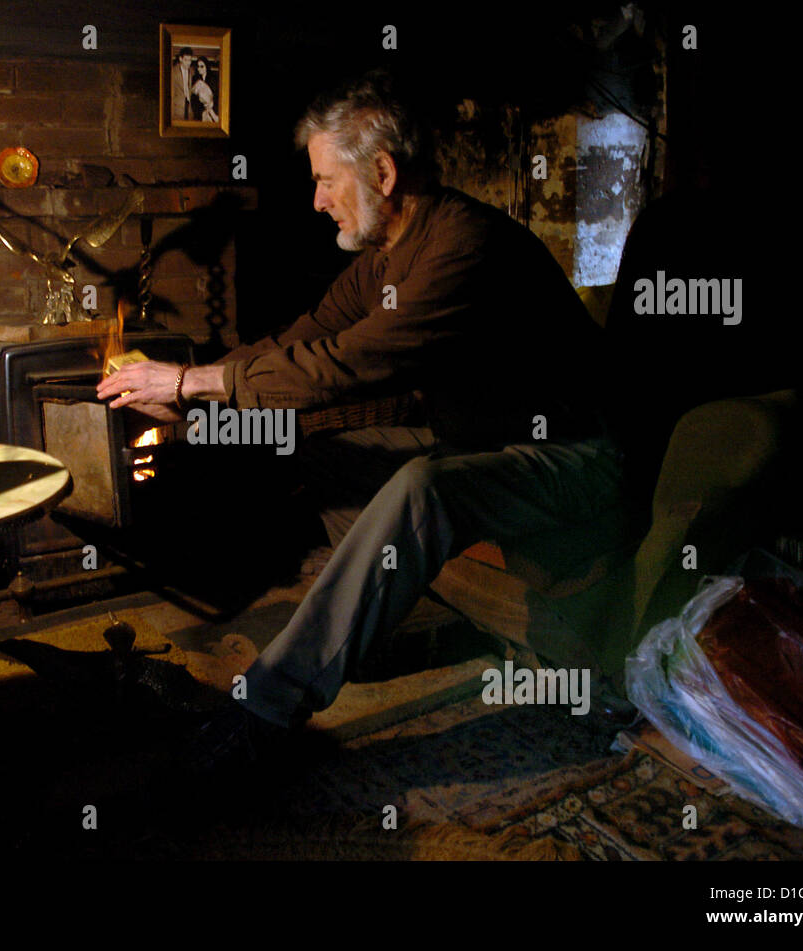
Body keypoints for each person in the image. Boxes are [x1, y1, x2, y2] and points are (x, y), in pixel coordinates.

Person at [97, 71, 625, 769]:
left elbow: (349, 362)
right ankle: (380, 614)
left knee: (421, 487)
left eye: (326, 181)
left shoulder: (462, 246)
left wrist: (193, 380)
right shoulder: (383, 256)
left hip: (576, 456)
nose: (317, 201)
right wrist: (192, 405)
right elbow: (303, 336)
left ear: (381, 171)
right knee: (310, 449)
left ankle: (262, 710)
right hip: (483, 441)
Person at [170, 48, 195, 122]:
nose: (188, 63)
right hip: (177, 111)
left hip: (189, 110)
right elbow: (171, 94)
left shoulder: (192, 71)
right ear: (180, 59)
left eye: (190, 60)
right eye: (186, 60)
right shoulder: (173, 72)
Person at [192, 58, 219, 123]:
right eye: (198, 66)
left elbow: (217, 95)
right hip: (201, 112)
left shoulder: (213, 78)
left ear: (206, 66)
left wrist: (211, 107)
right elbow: (194, 98)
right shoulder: (195, 78)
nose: (199, 69)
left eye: (202, 66)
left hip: (213, 110)